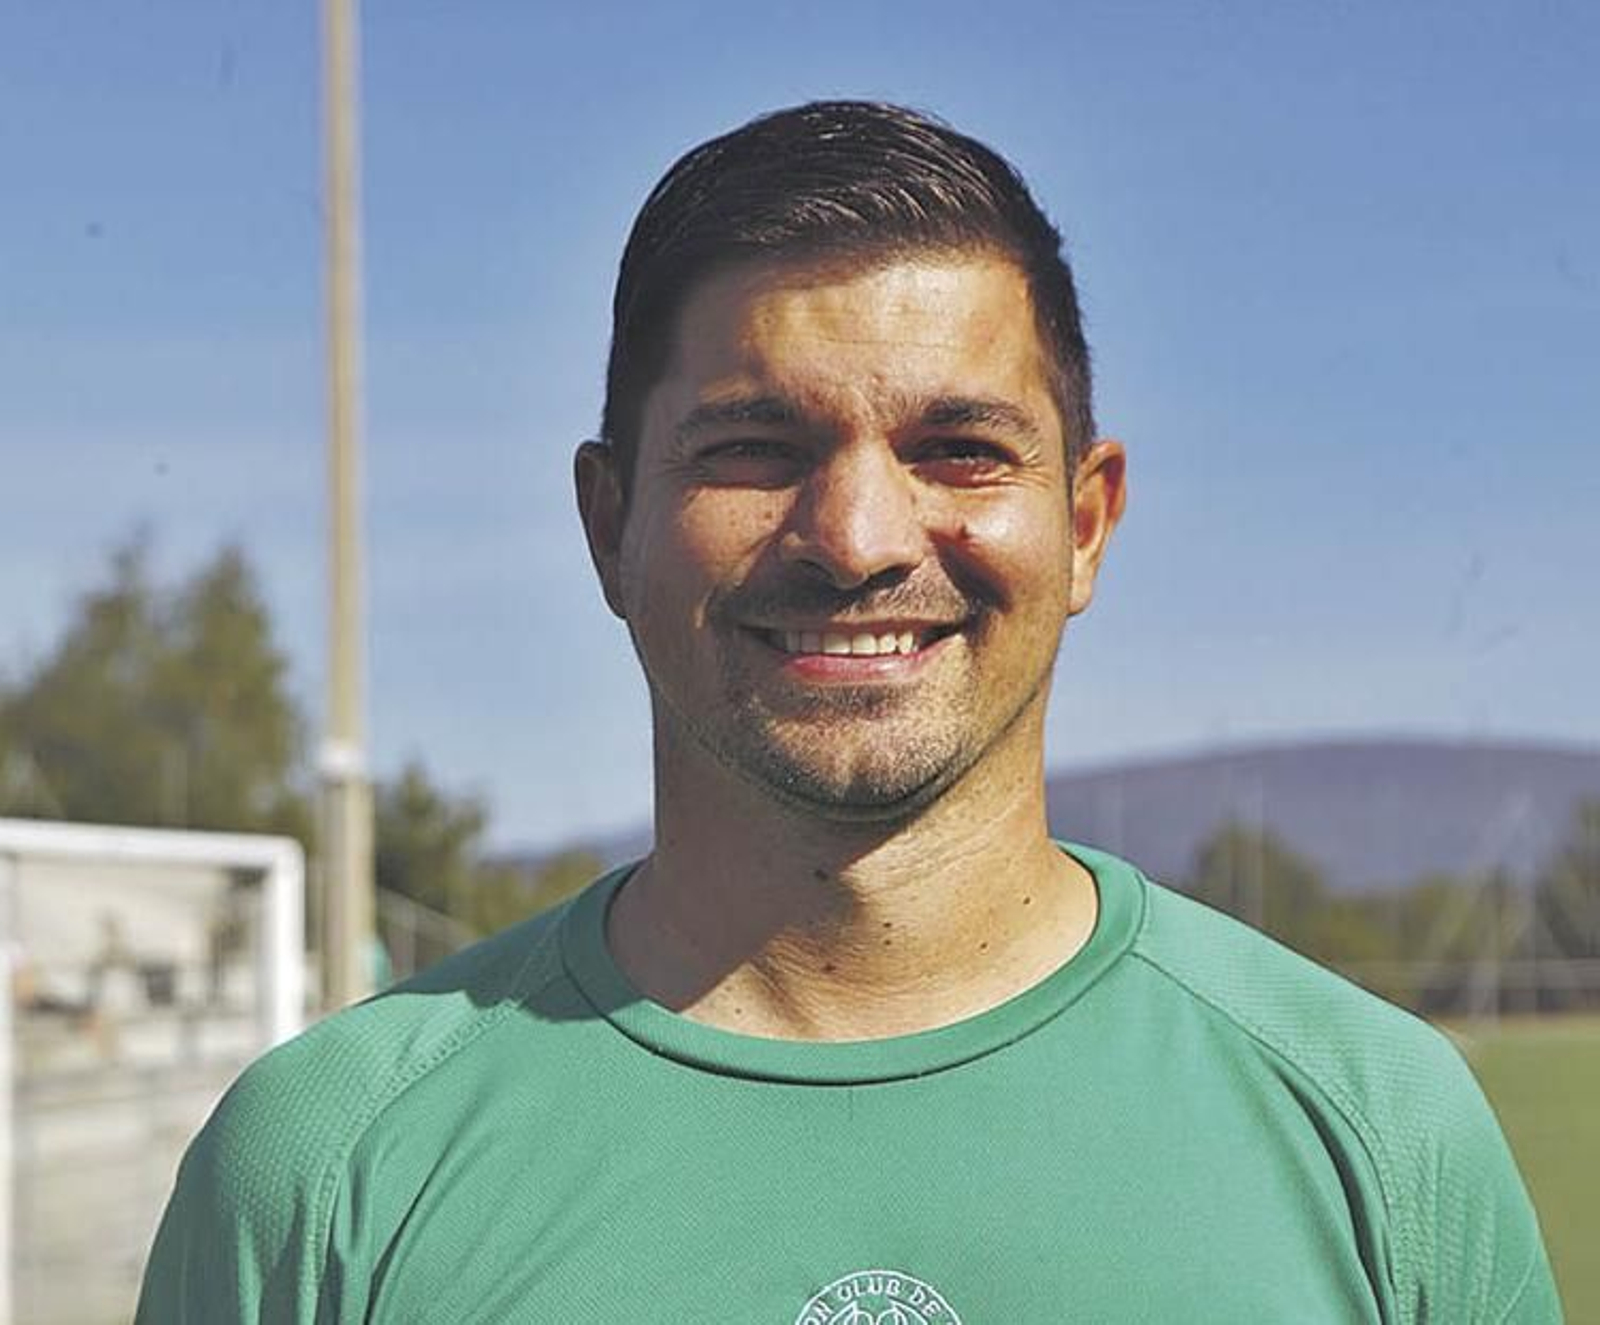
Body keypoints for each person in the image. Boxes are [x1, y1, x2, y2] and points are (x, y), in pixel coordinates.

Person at [137, 101, 1561, 1323]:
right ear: (608, 523)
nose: (859, 536)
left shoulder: (1383, 1136)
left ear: (1085, 522)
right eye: (756, 446)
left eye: (959, 447)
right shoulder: (321, 1169)